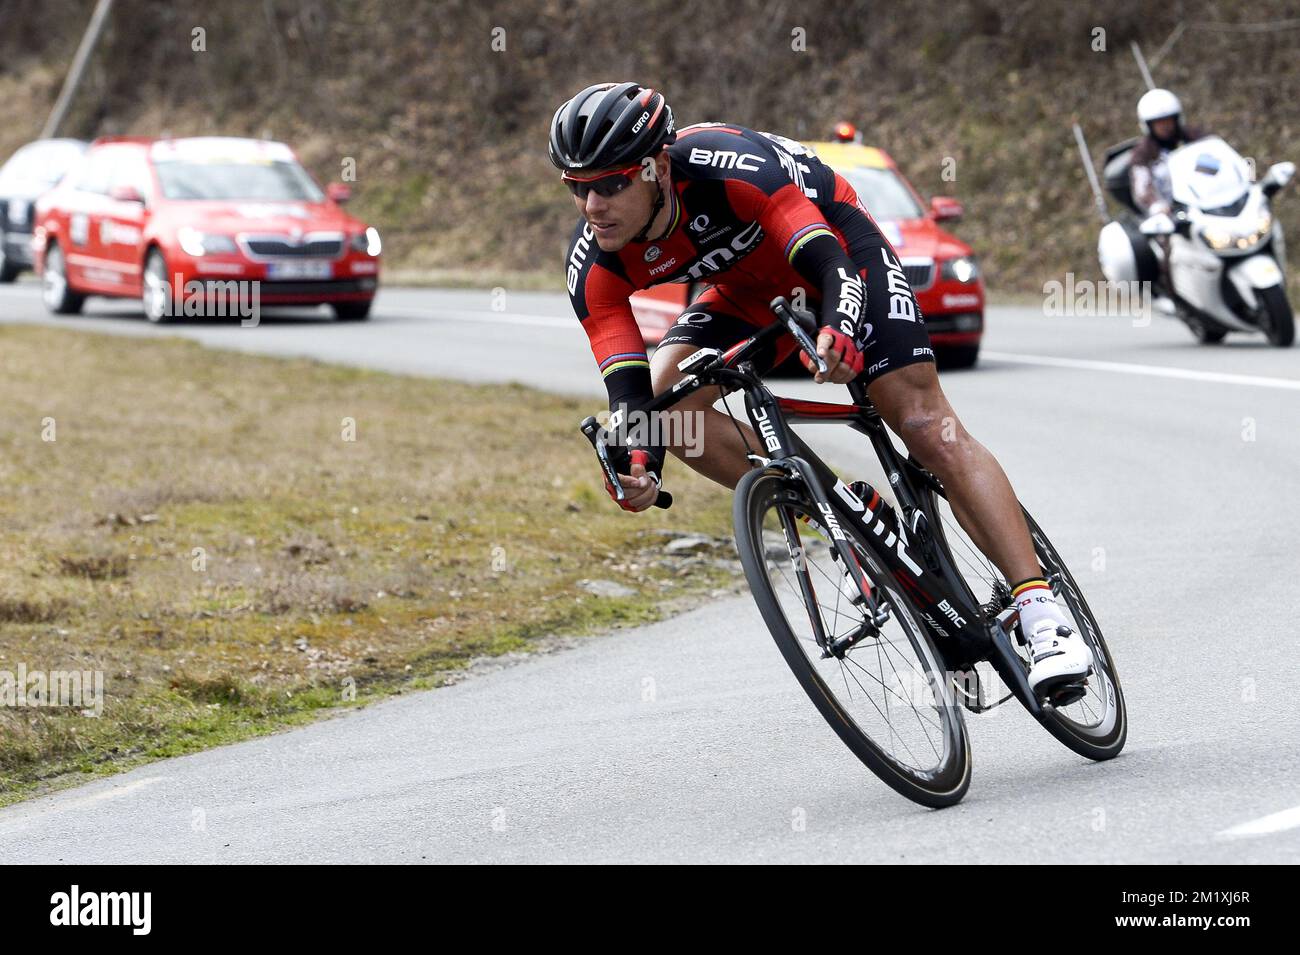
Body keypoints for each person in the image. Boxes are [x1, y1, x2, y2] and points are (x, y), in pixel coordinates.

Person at [551, 82, 1090, 695]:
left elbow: (828, 259)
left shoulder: (732, 169)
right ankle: (828, 502)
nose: (593, 204)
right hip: (743, 290)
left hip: (836, 250)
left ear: (657, 167)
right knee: (669, 402)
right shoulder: (594, 263)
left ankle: (1042, 612)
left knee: (918, 422)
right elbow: (630, 396)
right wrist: (637, 460)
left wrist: (840, 328)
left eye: (611, 182)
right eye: (576, 187)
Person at [1129, 88, 1206, 217]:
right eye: (1159, 123)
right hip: (1174, 212)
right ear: (1149, 125)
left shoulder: (1194, 138)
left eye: (1168, 120)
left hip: (1208, 199)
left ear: (1176, 120)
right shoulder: (1143, 154)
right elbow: (1142, 188)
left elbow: (1219, 158)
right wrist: (1155, 204)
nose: (1165, 126)